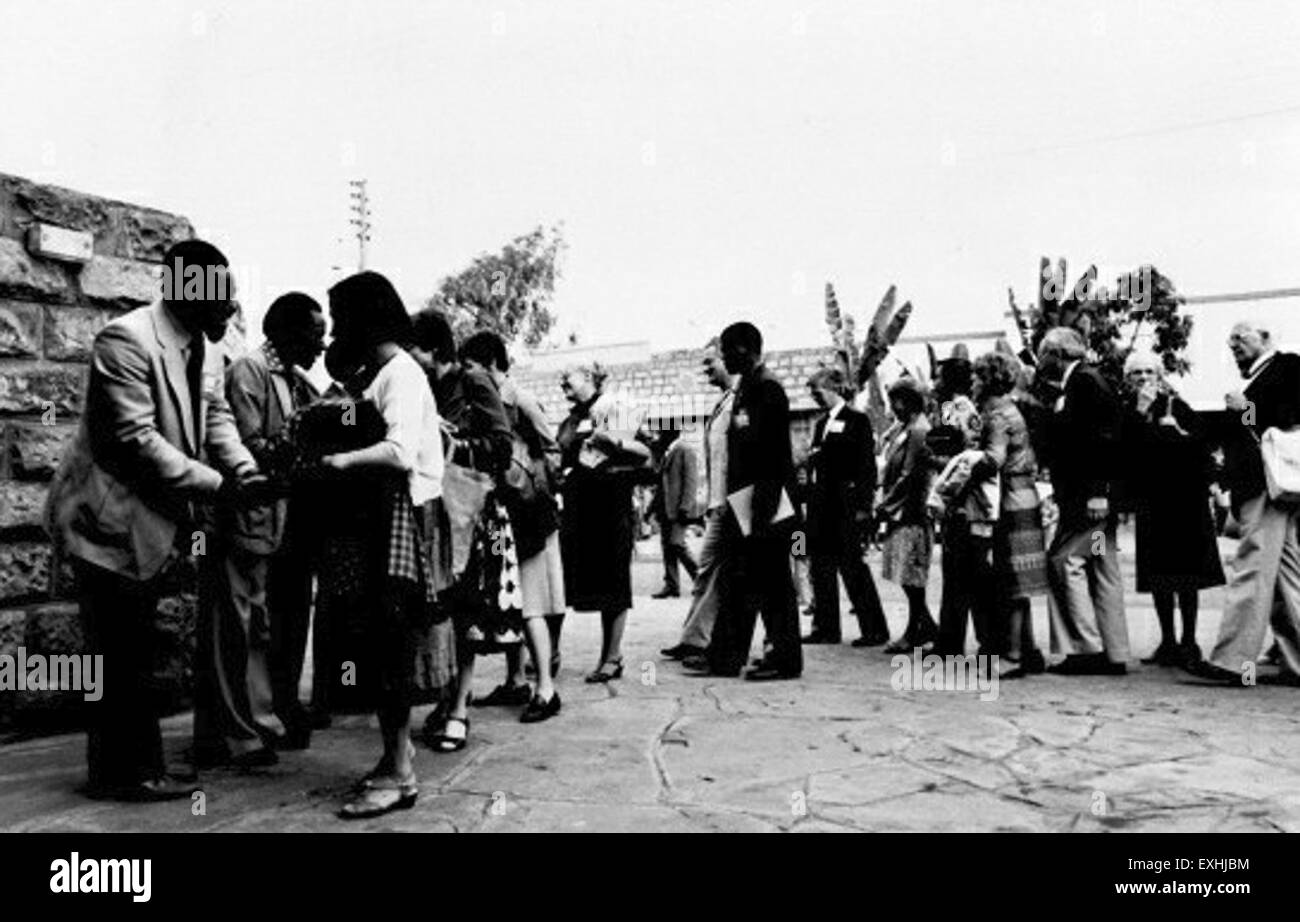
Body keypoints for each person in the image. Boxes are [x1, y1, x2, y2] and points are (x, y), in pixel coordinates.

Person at [46, 239, 262, 801]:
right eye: (221, 298)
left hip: (147, 520)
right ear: (189, 293)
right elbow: (136, 440)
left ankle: (132, 767)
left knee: (133, 646)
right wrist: (221, 486)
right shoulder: (126, 340)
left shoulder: (205, 348)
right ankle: (122, 774)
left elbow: (214, 416)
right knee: (116, 649)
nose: (230, 310)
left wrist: (244, 469)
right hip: (104, 519)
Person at [319, 271, 445, 819]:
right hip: (377, 523)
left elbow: (399, 451)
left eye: (342, 318)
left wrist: (341, 459)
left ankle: (400, 774)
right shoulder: (387, 372)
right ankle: (396, 757)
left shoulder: (400, 374)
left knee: (389, 649)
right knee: (376, 648)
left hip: (394, 523)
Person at [193, 291, 324, 767]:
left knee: (264, 629)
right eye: (315, 336)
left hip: (278, 522)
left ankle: (259, 722)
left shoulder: (298, 380)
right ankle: (236, 734)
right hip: (245, 518)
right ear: (287, 333)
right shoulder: (247, 371)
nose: (321, 346)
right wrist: (307, 441)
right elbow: (253, 445)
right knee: (236, 628)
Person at [407, 311, 522, 750]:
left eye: (414, 350)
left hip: (473, 509)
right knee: (443, 607)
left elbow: (502, 445)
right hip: (438, 509)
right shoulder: (422, 386)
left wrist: (456, 445)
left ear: (434, 349)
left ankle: (458, 709)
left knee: (468, 609)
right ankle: (449, 697)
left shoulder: (474, 381)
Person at [459, 329, 565, 722]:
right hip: (507, 511)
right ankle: (516, 679)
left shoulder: (518, 398)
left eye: (470, 365)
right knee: (512, 599)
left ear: (488, 364)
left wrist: (538, 488)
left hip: (527, 513)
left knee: (531, 604)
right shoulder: (488, 399)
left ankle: (546, 689)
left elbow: (551, 449)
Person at [1188, 322, 1300, 684]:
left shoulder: (1285, 366)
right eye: (1230, 339)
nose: (1233, 343)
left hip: (1265, 485)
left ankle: (1232, 660)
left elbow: (1286, 419)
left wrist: (1245, 407)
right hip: (1270, 486)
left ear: (1267, 338)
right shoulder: (1268, 373)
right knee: (1286, 575)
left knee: (1253, 567)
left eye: (1241, 336)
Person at [695, 322, 802, 681]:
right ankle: (725, 657)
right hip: (746, 501)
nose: (723, 357)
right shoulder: (748, 388)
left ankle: (784, 660)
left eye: (726, 350)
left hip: (766, 505)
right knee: (740, 581)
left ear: (744, 349)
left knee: (773, 586)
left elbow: (774, 459)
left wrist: (762, 515)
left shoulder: (767, 389)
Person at [1120, 351, 1224, 668]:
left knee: (1188, 576)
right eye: (1136, 373)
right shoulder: (1128, 412)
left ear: (1159, 375)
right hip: (1153, 504)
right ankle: (1167, 640)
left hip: (1185, 502)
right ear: (1128, 379)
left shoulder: (1175, 405)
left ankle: (1189, 641)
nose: (1143, 378)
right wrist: (1139, 414)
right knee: (1159, 576)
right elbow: (1124, 452)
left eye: (1148, 372)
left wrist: (1178, 433)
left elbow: (1204, 445)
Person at [1036, 327, 1130, 676]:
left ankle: (1085, 646)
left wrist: (1098, 491)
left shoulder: (1083, 384)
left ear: (1057, 354)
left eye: (1044, 353)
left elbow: (1102, 441)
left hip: (1088, 498)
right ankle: (1113, 648)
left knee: (1064, 561)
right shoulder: (1091, 380)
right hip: (1098, 499)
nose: (1041, 360)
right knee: (1103, 567)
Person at [556, 362, 651, 681]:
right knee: (566, 580)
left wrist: (615, 443)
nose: (562, 382)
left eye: (567, 376)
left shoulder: (615, 406)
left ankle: (612, 658)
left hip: (610, 507)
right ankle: (551, 652)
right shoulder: (571, 419)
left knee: (613, 582)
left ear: (588, 377)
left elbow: (645, 455)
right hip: (576, 510)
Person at [965, 351, 1050, 677]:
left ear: (987, 380)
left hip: (1009, 498)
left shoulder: (997, 415)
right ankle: (1028, 650)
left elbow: (993, 458)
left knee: (1010, 578)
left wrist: (965, 461)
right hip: (1024, 495)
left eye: (976, 377)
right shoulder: (1012, 409)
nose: (973, 382)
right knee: (1021, 577)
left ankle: (1012, 656)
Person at [801, 365, 889, 647]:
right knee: (821, 569)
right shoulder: (820, 424)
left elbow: (866, 468)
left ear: (834, 388)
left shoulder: (857, 421)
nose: (815, 397)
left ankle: (874, 629)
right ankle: (826, 628)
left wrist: (864, 506)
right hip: (820, 508)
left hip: (845, 508)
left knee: (853, 568)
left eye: (818, 391)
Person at [664, 340, 736, 662]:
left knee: (733, 574)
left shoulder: (742, 401)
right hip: (719, 504)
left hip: (738, 502)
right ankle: (694, 638)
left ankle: (719, 645)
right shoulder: (724, 402)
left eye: (710, 364)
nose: (706, 372)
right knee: (707, 571)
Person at [878, 377, 939, 653]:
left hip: (910, 510)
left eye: (895, 402)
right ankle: (923, 624)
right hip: (902, 509)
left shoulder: (918, 431)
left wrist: (886, 506)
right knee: (905, 573)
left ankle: (917, 627)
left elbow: (908, 474)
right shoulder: (904, 429)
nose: (893, 408)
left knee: (910, 574)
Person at [650, 429, 702, 599]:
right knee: (668, 547)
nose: (658, 436)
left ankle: (702, 580)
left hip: (678, 508)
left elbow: (691, 481)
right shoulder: (668, 452)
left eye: (661, 433)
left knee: (677, 544)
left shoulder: (685, 449)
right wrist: (651, 509)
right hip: (665, 509)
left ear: (670, 433)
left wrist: (685, 507)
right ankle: (672, 585)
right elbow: (661, 485)